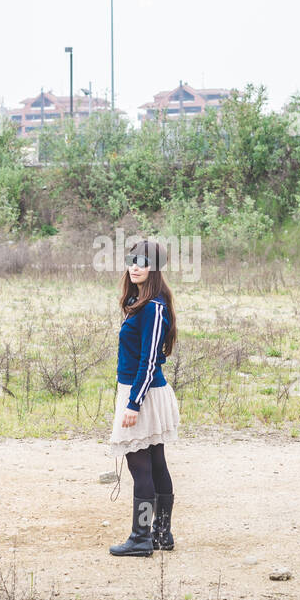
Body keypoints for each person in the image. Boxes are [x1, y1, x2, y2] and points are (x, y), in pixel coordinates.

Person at [107, 238, 180, 557]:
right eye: (131, 259)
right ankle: (160, 534)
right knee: (155, 463)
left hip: (144, 394)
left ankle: (141, 537)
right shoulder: (143, 302)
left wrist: (133, 403)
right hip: (144, 391)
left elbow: (149, 361)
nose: (135, 265)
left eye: (143, 261)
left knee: (141, 468)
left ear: (155, 269)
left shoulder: (153, 307)